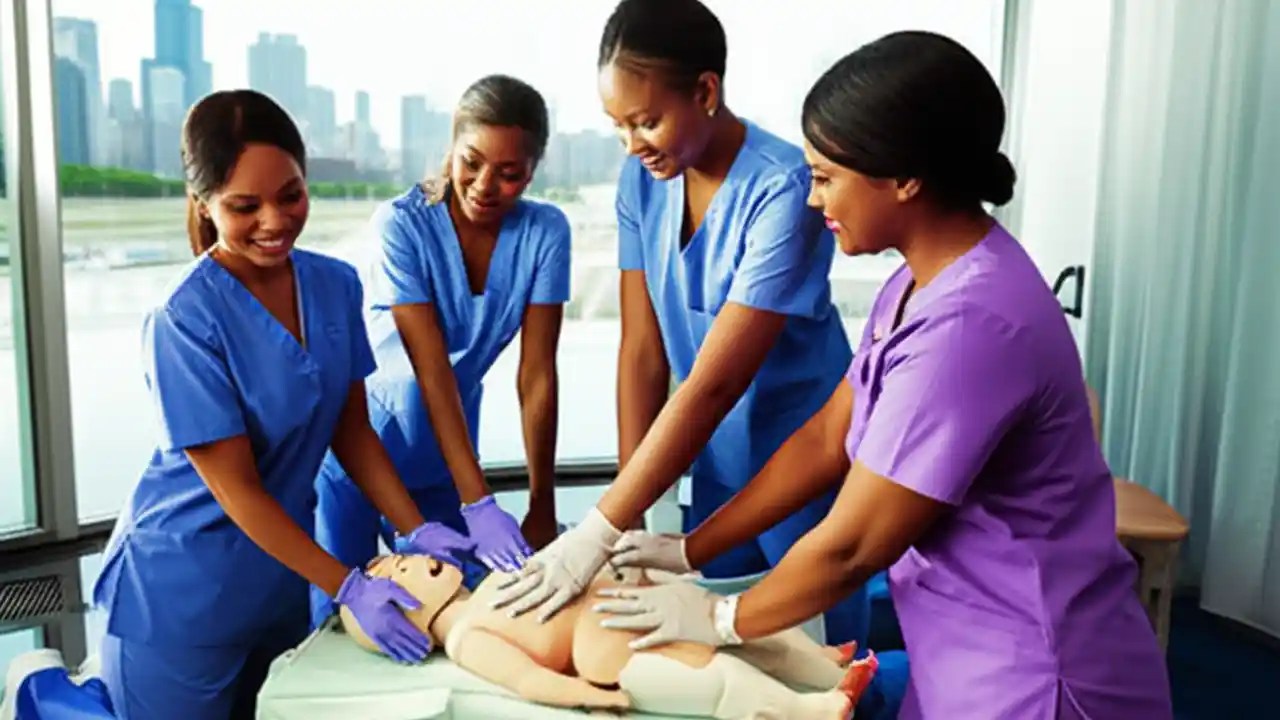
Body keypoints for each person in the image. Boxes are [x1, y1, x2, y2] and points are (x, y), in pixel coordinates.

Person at [589, 31, 1176, 719]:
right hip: (956, 654)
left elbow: (854, 546)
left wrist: (720, 618)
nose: (812, 200)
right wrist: (689, 548)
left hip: (1035, 676)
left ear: (904, 178)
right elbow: (826, 438)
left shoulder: (973, 324)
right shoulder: (912, 287)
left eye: (826, 177)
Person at [492, 0, 869, 652]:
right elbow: (642, 352)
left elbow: (717, 381)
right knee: (719, 659)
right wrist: (631, 517)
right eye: (617, 127)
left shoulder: (785, 189)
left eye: (646, 121)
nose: (632, 144)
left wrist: (596, 529)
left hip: (800, 461)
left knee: (822, 660)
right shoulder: (640, 181)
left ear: (705, 91)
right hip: (720, 464)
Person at [91, 91, 478, 719]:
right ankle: (50, 698)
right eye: (245, 206)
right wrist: (349, 586)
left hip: (276, 580)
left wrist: (412, 527)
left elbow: (350, 431)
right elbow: (238, 491)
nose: (275, 221)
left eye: (291, 195)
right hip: (177, 595)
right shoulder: (183, 319)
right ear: (205, 204)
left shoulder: (334, 284)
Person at [310, 75, 571, 628]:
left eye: (510, 174)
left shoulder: (545, 233)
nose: (484, 185)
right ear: (451, 146)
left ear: (534, 169)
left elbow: (537, 377)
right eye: (471, 162)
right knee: (342, 622)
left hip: (445, 455)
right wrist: (479, 505)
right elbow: (431, 370)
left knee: (457, 611)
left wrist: (542, 504)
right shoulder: (402, 224)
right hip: (361, 452)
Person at [340, 554, 878, 719]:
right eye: (396, 572)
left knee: (736, 627)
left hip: (635, 603)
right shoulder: (467, 638)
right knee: (715, 673)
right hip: (607, 654)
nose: (412, 560)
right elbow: (528, 679)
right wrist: (592, 696)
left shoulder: (489, 584)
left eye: (405, 554)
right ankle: (810, 709)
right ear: (401, 616)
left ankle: (824, 666)